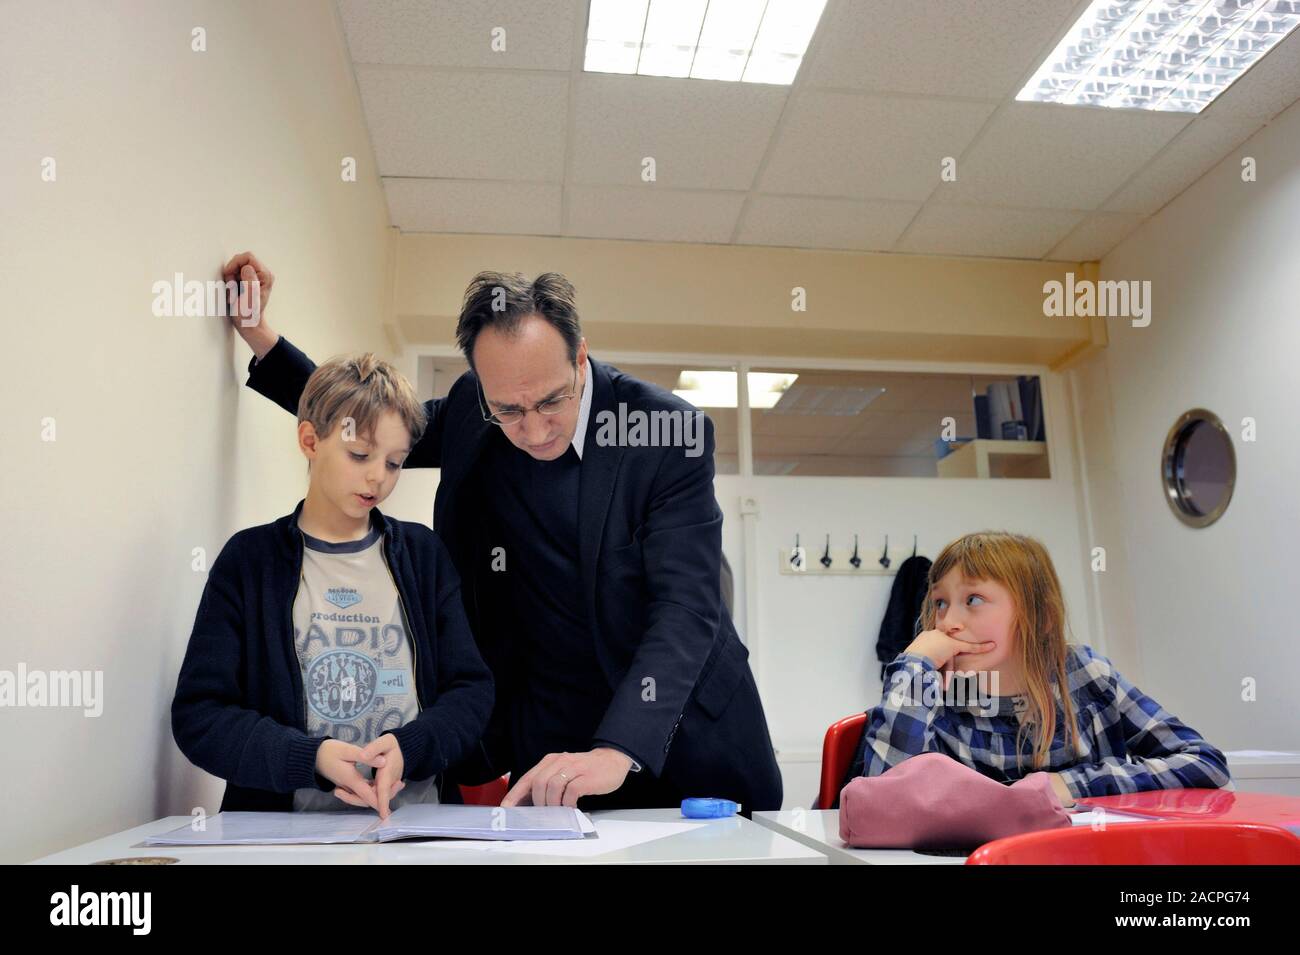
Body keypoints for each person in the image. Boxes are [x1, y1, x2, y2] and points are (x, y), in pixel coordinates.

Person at [220, 252, 783, 813]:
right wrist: (260, 337)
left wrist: (620, 748)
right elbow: (364, 422)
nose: (534, 430)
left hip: (677, 736)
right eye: (508, 409)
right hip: (555, 745)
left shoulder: (663, 433)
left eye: (551, 401)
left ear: (580, 359)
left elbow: (686, 608)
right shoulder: (471, 409)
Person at [171, 352, 494, 816]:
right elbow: (200, 717)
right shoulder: (249, 561)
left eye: (395, 463)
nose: (377, 477)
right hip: (283, 841)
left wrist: (415, 745)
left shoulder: (424, 556)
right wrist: (310, 758)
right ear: (310, 439)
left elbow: (471, 691)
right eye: (360, 454)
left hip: (416, 830)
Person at [859, 530, 1230, 804]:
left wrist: (1068, 785)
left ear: (1040, 618)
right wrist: (914, 666)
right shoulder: (937, 689)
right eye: (940, 602)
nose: (947, 621)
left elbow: (1204, 762)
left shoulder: (1083, 674)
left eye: (973, 599)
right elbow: (886, 798)